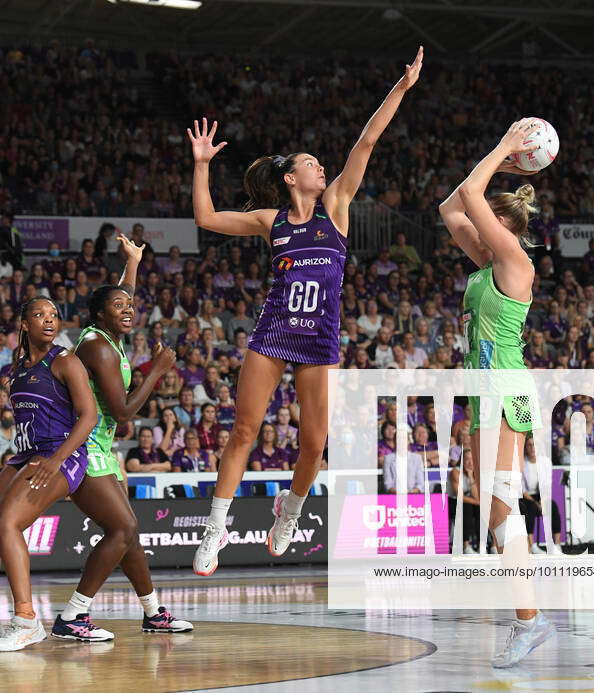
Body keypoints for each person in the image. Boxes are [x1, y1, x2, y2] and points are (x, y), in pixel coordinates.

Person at [190, 46, 425, 576]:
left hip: (319, 340)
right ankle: (214, 530)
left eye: (321, 164)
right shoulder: (269, 219)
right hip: (274, 332)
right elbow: (204, 216)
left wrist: (401, 89)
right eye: (311, 164)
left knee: (315, 445)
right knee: (245, 431)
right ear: (292, 179)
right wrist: (202, 164)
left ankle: (288, 511)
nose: (322, 167)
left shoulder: (337, 206)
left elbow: (366, 141)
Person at [0, 295, 186, 653]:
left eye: (54, 315)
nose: (49, 320)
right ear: (24, 324)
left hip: (62, 455)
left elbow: (89, 416)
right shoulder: (18, 365)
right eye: (40, 315)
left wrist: (57, 459)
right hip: (26, 455)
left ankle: (28, 621)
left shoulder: (67, 361)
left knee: (7, 524)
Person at [438, 117, 554, 666]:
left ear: (503, 225)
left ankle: (528, 620)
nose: (476, 228)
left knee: (500, 504)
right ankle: (529, 618)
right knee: (492, 505)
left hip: (505, 386)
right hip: (484, 389)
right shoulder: (485, 264)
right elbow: (450, 207)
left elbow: (469, 195)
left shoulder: (514, 262)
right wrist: (502, 160)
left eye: (489, 221)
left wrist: (504, 148)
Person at [62, 236, 191, 640]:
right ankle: (72, 616)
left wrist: (132, 263)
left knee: (128, 531)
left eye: (131, 306)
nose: (128, 310)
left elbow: (123, 292)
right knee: (122, 529)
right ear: (99, 313)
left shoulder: (107, 333)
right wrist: (157, 369)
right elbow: (122, 412)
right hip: (82, 447)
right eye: (119, 307)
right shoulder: (99, 348)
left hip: (102, 447)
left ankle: (153, 613)